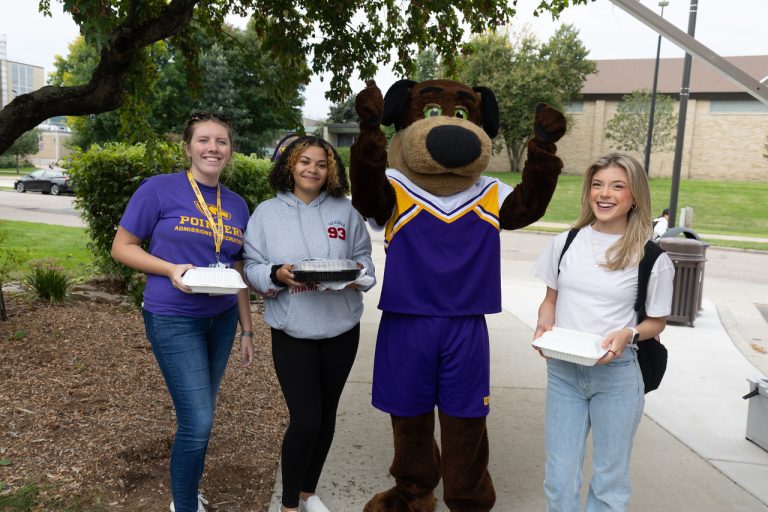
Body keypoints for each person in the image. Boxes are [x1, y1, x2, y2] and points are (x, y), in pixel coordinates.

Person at [111, 111, 253, 512]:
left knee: (199, 418)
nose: (213, 148)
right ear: (188, 147)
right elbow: (122, 247)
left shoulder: (238, 204)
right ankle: (185, 505)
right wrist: (170, 268)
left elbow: (238, 268)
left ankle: (186, 490)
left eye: (221, 141)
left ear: (231, 150)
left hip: (222, 320)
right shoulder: (158, 190)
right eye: (204, 140)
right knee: (199, 421)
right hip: (173, 317)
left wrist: (246, 328)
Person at [531, 152, 674, 511]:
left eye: (616, 186)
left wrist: (628, 333)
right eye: (597, 184)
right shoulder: (565, 243)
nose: (604, 194)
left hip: (618, 375)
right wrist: (543, 324)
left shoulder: (651, 257)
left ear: (635, 196)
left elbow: (656, 323)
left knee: (610, 480)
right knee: (559, 477)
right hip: (563, 372)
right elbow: (551, 299)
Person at [243, 136, 376, 512]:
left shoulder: (345, 212)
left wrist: (357, 276)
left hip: (341, 329)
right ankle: (287, 505)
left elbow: (365, 260)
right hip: (293, 329)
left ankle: (307, 493)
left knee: (327, 415)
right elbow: (252, 267)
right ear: (289, 165)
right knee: (305, 418)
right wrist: (277, 274)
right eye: (304, 161)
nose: (312, 169)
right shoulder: (266, 213)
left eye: (321, 163)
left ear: (331, 170)